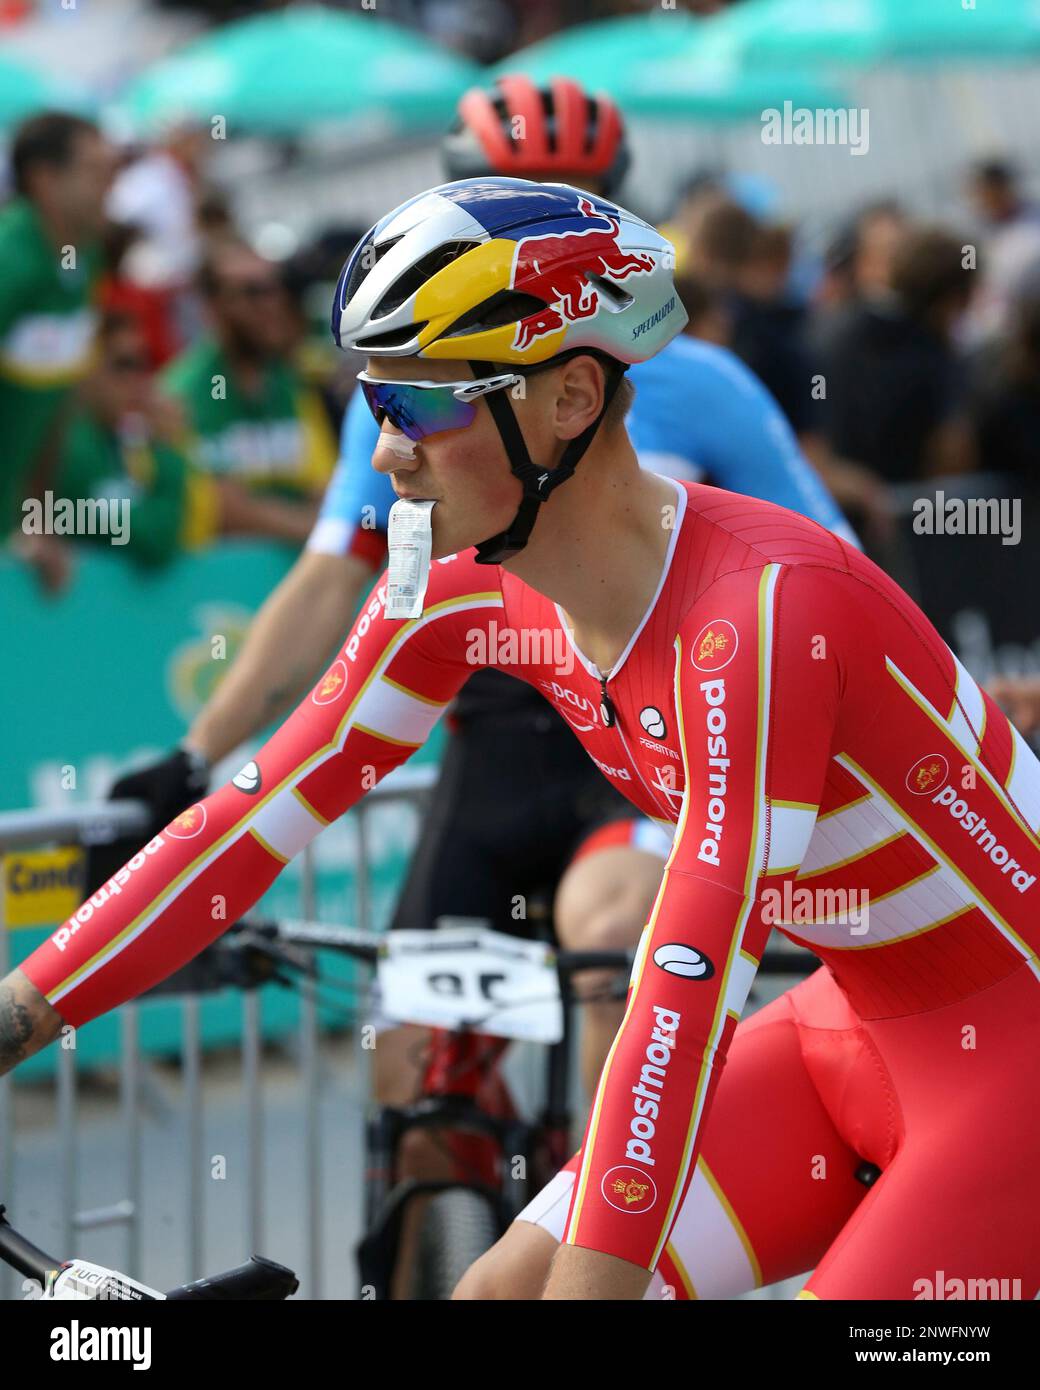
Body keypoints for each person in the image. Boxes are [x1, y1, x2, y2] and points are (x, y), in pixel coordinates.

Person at [3, 177, 1038, 1304]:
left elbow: (682, 987)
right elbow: (251, 819)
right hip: (851, 1025)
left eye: (426, 406)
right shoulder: (452, 588)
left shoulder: (762, 617)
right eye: (374, 403)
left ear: (570, 398)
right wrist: (21, 1010)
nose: (387, 450)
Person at [0, 110, 115, 586]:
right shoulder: (10, 259)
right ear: (44, 180)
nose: (112, 187)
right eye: (96, 172)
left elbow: (59, 399)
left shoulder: (84, 259)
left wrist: (36, 520)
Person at [158, 238, 337, 542]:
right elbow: (217, 511)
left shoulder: (292, 385)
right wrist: (315, 532)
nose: (273, 303)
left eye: (275, 286)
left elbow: (328, 492)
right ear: (212, 306)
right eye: (252, 292)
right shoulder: (179, 395)